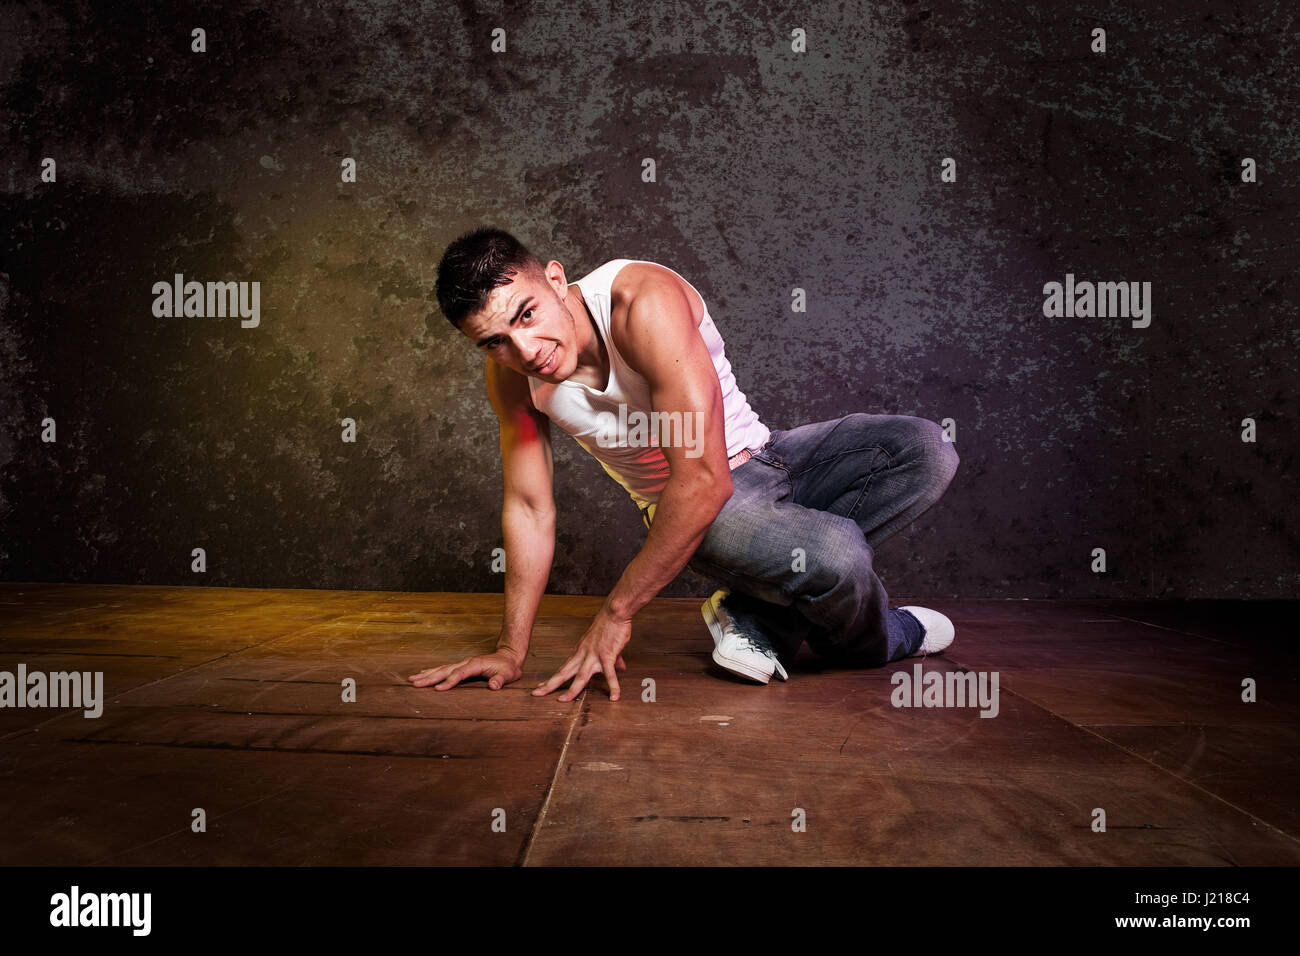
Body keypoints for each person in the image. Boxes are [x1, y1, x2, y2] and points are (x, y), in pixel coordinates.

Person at [408, 226, 959, 702]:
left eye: (527, 315)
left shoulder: (640, 303)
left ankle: (759, 614)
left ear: (555, 279)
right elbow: (530, 507)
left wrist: (615, 613)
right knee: (836, 552)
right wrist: (510, 650)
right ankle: (888, 637)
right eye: (495, 341)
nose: (526, 350)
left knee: (925, 451)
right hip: (698, 508)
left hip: (769, 454)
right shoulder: (510, 375)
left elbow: (706, 469)